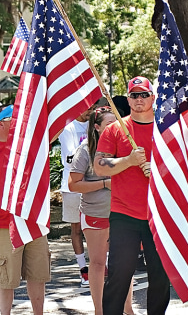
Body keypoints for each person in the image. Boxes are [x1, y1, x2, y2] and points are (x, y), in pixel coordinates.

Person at [93, 76, 172, 315]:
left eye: (144, 95)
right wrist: (128, 161)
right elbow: (99, 166)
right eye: (134, 95)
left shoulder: (166, 128)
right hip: (124, 214)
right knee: (119, 274)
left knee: (160, 276)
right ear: (128, 99)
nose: (139, 100)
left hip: (158, 214)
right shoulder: (116, 129)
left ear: (153, 97)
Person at [0, 106, 50, 315]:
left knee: (37, 275)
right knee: (6, 278)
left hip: (33, 222)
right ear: (0, 123)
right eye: (13, 118)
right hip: (3, 225)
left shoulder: (30, 148)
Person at [68, 105, 135, 315]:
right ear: (97, 127)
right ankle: (99, 311)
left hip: (124, 213)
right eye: (109, 123)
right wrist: (105, 184)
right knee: (97, 264)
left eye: (117, 121)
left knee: (124, 263)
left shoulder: (125, 145)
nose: (115, 126)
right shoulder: (86, 149)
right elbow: (73, 184)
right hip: (95, 214)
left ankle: (128, 310)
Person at [57, 108, 89, 286]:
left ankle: (102, 264)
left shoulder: (94, 123)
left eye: (92, 108)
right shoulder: (68, 127)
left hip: (93, 183)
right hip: (72, 185)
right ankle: (83, 269)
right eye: (87, 109)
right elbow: (70, 158)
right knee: (76, 228)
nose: (89, 112)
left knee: (95, 226)